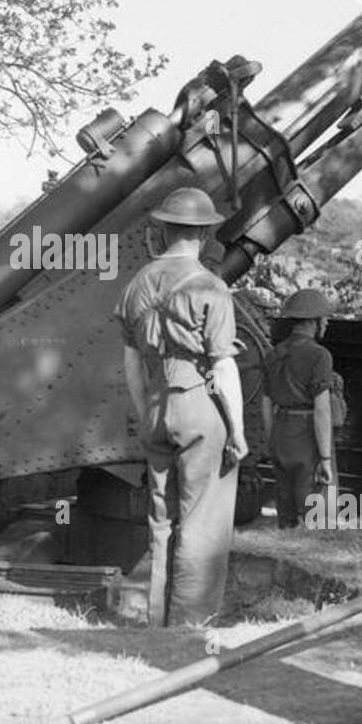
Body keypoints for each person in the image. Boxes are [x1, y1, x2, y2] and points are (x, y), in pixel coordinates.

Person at [114, 186, 247, 628]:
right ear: (206, 233)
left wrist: (146, 413)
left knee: (162, 519)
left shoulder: (135, 286)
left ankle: (156, 619)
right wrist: (239, 432)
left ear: (163, 229)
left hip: (154, 406)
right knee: (202, 518)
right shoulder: (211, 286)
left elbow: (131, 363)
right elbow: (224, 368)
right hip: (199, 406)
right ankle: (190, 623)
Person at [261, 288, 339, 528]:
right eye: (324, 318)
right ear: (313, 321)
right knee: (315, 511)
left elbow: (266, 403)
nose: (326, 323)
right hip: (308, 435)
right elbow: (322, 410)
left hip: (280, 432)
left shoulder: (273, 354)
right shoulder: (319, 355)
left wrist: (271, 440)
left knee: (285, 508)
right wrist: (325, 457)